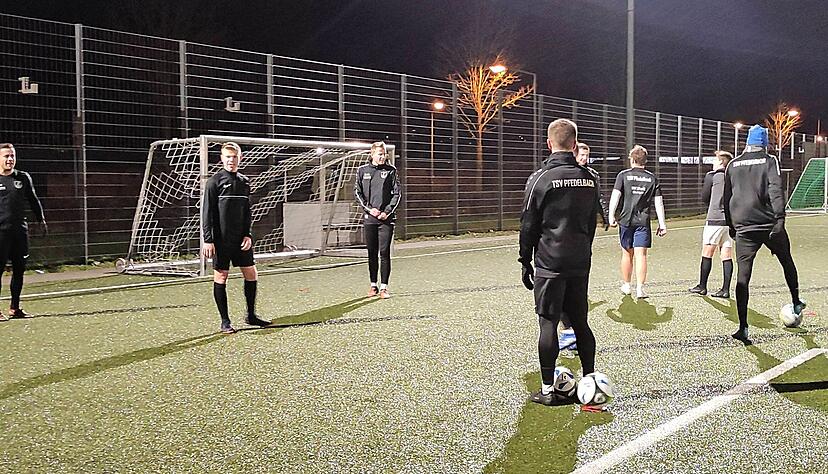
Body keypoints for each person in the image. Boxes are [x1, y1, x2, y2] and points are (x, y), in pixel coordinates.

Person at [519, 119, 603, 405]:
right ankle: (590, 386)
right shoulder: (590, 178)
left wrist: (524, 260)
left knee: (548, 323)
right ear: (575, 144)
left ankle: (547, 391)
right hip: (580, 260)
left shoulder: (540, 179)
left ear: (548, 143)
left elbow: (528, 224)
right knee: (581, 322)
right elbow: (591, 223)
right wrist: (583, 251)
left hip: (549, 262)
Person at [723, 125, 805, 342]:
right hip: (769, 224)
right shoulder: (770, 161)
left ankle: (743, 327)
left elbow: (726, 197)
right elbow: (776, 189)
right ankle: (796, 300)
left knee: (743, 276)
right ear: (765, 143)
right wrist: (780, 219)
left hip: (743, 227)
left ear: (748, 142)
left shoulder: (732, 164)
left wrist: (731, 225)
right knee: (786, 260)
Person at [201, 142, 270, 334]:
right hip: (221, 240)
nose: (231, 160)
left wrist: (248, 234)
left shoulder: (244, 181)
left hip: (241, 240)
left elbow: (246, 211)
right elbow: (207, 213)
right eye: (228, 157)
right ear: (221, 159)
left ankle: (251, 315)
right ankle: (225, 321)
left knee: (251, 273)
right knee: (221, 276)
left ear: (241, 158)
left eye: (234, 157)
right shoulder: (214, 182)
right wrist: (208, 239)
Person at [557, 142, 610, 350]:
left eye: (587, 155)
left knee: (578, 274)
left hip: (584, 233)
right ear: (574, 154)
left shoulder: (592, 175)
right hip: (565, 233)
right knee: (563, 283)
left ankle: (572, 329)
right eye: (582, 155)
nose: (584, 158)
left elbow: (599, 198)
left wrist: (605, 216)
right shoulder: (565, 174)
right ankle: (567, 328)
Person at [608, 145, 667, 299]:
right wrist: (662, 224)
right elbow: (659, 203)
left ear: (632, 159)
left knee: (627, 253)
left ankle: (627, 285)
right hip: (643, 221)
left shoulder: (623, 175)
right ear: (645, 160)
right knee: (641, 255)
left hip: (626, 219)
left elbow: (616, 196)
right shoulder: (652, 178)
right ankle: (641, 288)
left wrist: (611, 216)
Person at [0, 144, 47, 321]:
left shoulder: (23, 178)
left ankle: (15, 308)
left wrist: (41, 219)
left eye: (12, 156)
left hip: (20, 232)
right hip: (1, 233)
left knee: (19, 270)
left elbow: (33, 200)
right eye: (6, 156)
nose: (10, 159)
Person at [354, 141, 401, 299]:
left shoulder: (391, 171)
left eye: (384, 154)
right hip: (370, 218)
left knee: (384, 252)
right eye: (380, 154)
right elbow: (358, 193)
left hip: (386, 219)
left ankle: (384, 287)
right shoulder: (362, 171)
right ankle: (373, 285)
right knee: (371, 253)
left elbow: (397, 194)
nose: (383, 156)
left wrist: (387, 211)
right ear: (372, 154)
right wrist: (369, 210)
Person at [689, 150, 734, 298]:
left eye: (715, 160)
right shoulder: (733, 177)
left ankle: (702, 286)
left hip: (714, 218)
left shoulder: (712, 176)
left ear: (721, 162)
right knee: (726, 254)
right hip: (729, 221)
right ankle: (725, 289)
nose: (713, 162)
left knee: (707, 252)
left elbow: (704, 197)